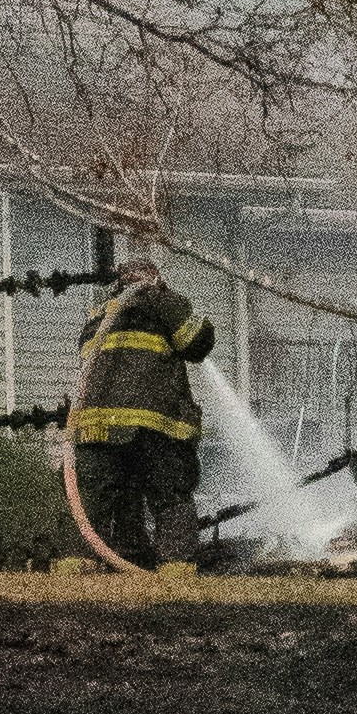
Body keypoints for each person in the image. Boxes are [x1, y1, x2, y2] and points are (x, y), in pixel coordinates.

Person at [67, 244, 213, 571]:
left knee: (97, 499)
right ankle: (176, 566)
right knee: (170, 494)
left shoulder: (100, 313)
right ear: (154, 280)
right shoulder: (162, 305)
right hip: (156, 426)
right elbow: (197, 343)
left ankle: (85, 562)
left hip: (97, 427)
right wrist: (162, 295)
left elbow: (87, 358)